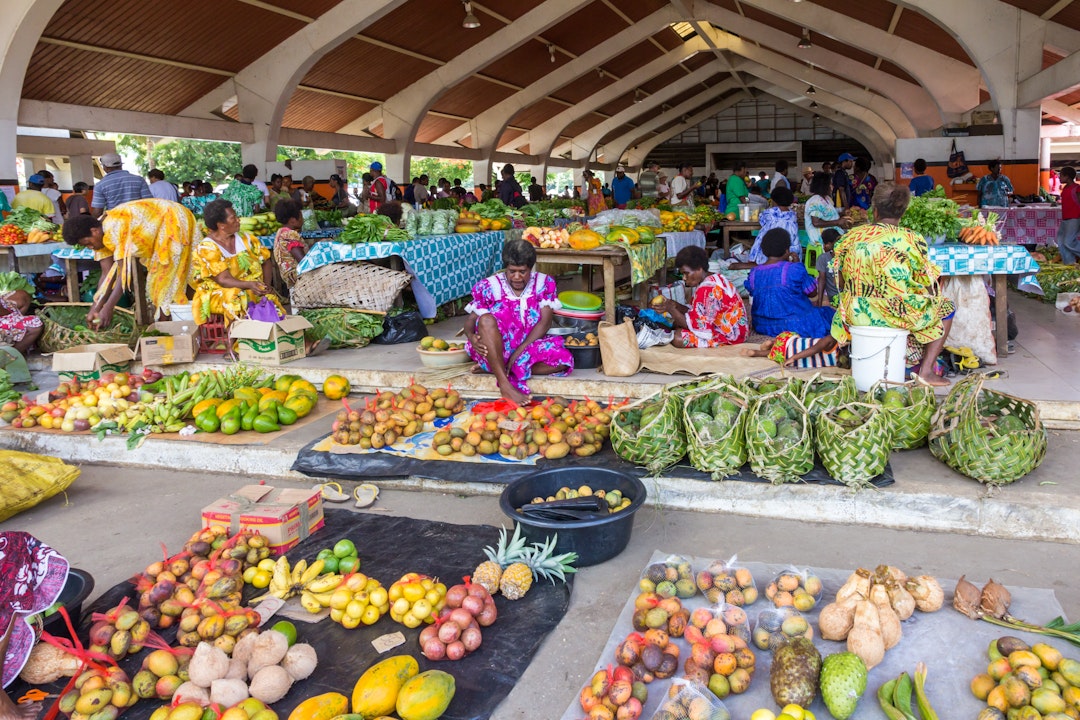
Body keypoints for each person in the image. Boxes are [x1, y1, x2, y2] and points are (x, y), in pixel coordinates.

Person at [831, 182, 955, 386]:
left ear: (874, 210)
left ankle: (859, 361)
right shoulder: (912, 239)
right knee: (946, 307)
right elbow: (926, 281)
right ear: (903, 211)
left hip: (854, 311)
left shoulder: (850, 237)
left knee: (844, 298)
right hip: (896, 312)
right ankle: (926, 371)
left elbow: (841, 281)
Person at [464, 239, 573, 405]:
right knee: (485, 320)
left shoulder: (544, 284)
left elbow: (545, 323)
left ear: (531, 268)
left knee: (563, 361)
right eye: (512, 271)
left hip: (528, 346)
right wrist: (472, 337)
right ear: (505, 268)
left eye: (522, 271)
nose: (516, 277)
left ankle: (494, 368)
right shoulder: (488, 286)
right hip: (496, 346)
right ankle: (504, 384)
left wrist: (520, 351)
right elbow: (471, 322)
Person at [61, 199, 198, 328]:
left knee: (165, 280)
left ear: (94, 231)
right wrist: (95, 308)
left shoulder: (113, 227)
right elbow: (107, 274)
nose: (90, 247)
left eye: (88, 243)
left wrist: (108, 308)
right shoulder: (99, 234)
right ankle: (175, 326)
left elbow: (124, 274)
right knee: (163, 282)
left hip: (173, 220)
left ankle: (168, 329)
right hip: (161, 227)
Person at [190, 199, 284, 326]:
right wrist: (249, 285)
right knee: (236, 297)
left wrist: (265, 286)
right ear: (221, 225)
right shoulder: (207, 248)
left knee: (269, 300)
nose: (238, 220)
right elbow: (223, 279)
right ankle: (236, 340)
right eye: (233, 218)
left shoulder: (246, 239)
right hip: (218, 292)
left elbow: (266, 261)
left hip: (250, 288)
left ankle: (272, 338)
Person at [745, 228, 834, 338]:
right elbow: (812, 292)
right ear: (787, 251)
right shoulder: (795, 269)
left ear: (763, 251)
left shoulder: (754, 273)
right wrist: (799, 265)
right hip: (796, 324)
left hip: (762, 325)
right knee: (828, 313)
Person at [653, 245, 748, 348]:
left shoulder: (706, 288)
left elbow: (700, 327)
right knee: (678, 323)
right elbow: (697, 312)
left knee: (678, 337)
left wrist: (671, 309)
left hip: (729, 338)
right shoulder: (715, 278)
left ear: (699, 268)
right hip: (738, 332)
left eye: (686, 273)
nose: (684, 278)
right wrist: (675, 305)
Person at [750, 186, 799, 264]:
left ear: (774, 200)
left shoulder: (769, 213)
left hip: (770, 251)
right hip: (789, 253)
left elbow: (762, 221)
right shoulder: (792, 215)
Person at [804, 171, 851, 248]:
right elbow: (816, 223)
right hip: (820, 236)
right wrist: (837, 222)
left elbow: (829, 215)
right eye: (830, 184)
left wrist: (843, 212)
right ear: (823, 186)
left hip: (829, 231)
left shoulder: (827, 198)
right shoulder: (815, 201)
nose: (832, 186)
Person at [272, 199, 307, 290]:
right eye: (300, 216)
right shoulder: (290, 235)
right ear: (292, 220)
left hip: (288, 278)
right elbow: (303, 261)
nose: (302, 219)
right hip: (298, 277)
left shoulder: (280, 232)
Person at [1055, 166, 1080, 265]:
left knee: (1068, 242)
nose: (1059, 178)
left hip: (1074, 218)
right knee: (1061, 242)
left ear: (1067, 177)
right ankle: (1069, 263)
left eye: (1061, 176)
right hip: (1066, 218)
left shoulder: (1077, 189)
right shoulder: (1065, 188)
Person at [815, 228, 841, 306]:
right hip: (839, 298)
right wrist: (819, 302)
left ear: (828, 244)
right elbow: (821, 280)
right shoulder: (823, 258)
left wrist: (819, 302)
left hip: (835, 297)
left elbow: (821, 280)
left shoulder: (822, 258)